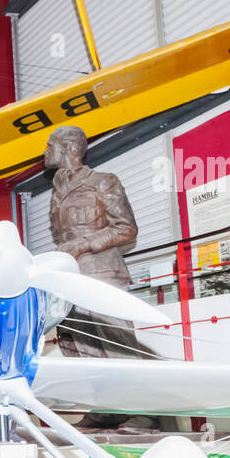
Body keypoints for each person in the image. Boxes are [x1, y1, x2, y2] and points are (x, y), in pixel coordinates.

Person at [45, 125, 157, 428]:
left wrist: (84, 243)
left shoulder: (103, 183)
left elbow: (126, 229)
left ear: (69, 148)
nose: (45, 152)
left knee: (119, 346)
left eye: (50, 146)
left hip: (103, 275)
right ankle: (108, 407)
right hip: (71, 281)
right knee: (83, 348)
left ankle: (144, 412)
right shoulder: (56, 193)